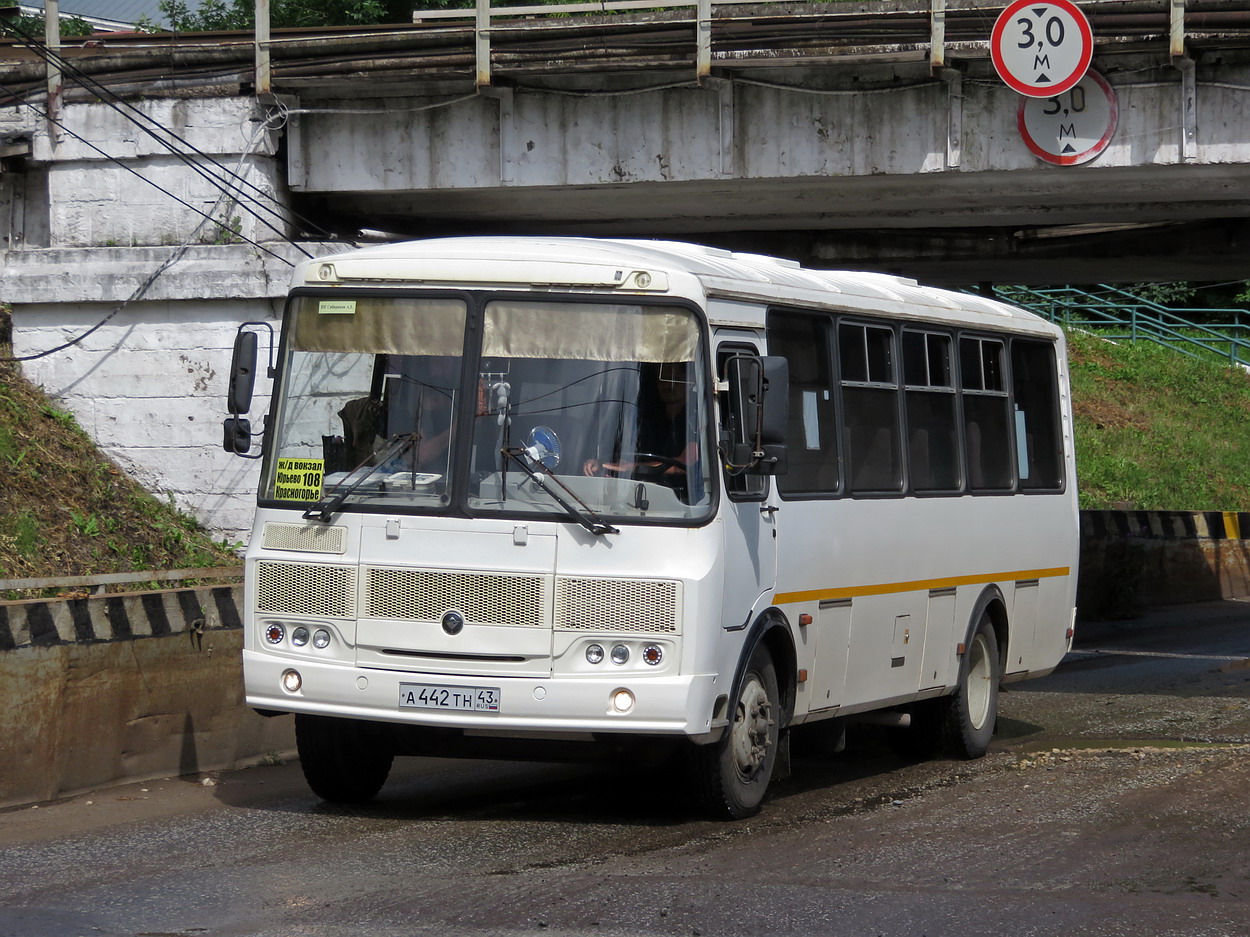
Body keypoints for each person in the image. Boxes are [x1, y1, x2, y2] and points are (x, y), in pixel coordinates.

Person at [582, 362, 698, 490]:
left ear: (690, 381)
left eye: (675, 379)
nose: (667, 385)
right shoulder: (646, 418)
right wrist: (600, 464)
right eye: (662, 381)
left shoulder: (698, 417)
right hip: (637, 492)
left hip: (681, 499)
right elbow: (625, 455)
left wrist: (628, 468)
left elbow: (682, 465)